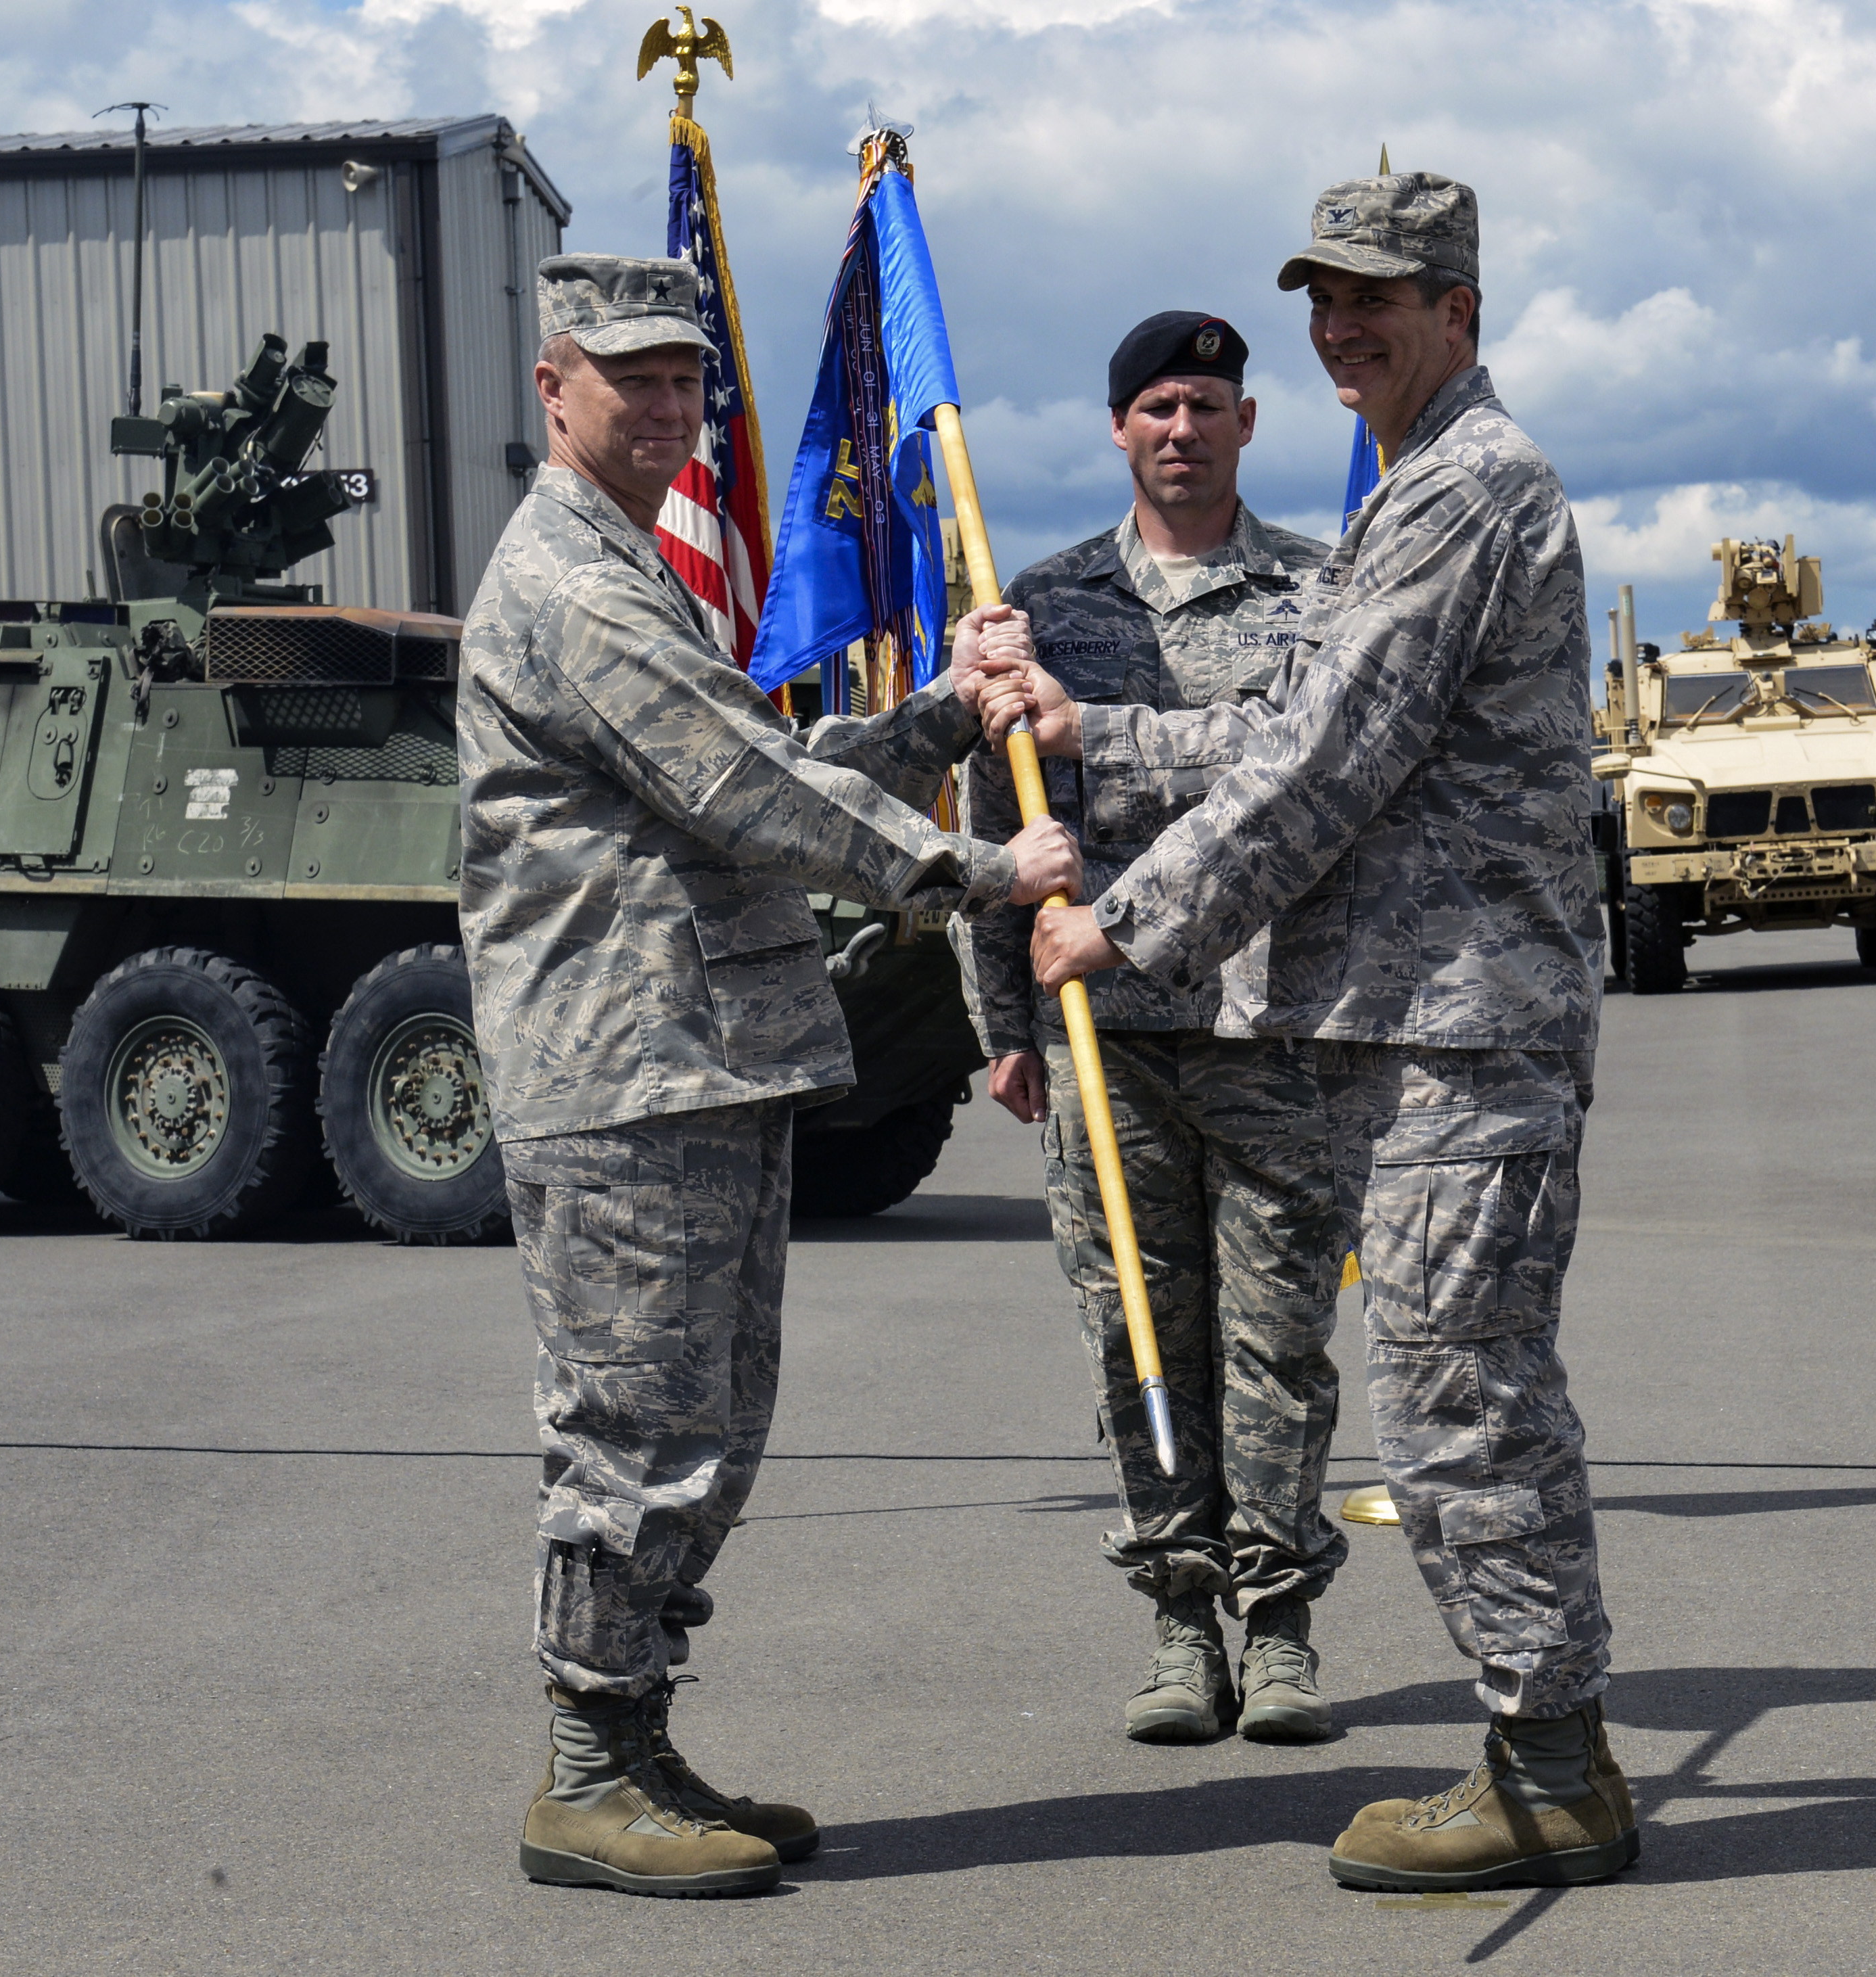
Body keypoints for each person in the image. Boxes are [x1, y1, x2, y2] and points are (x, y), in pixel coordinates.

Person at [995, 173, 1637, 1894]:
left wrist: (1121, 920)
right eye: (1327, 297)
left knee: (1463, 1405)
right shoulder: (1411, 490)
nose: (1346, 323)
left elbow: (1322, 763)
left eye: (1383, 296)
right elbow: (1283, 716)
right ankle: (1550, 1745)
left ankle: (1547, 1768)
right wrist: (1098, 730)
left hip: (1464, 1027)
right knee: (1457, 1395)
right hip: (1419, 1028)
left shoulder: (1465, 491)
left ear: (1461, 312)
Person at [459, 253, 1079, 1898]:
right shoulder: (574, 585)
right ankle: (584, 1770)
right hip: (622, 1075)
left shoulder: (632, 570)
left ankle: (636, 1729)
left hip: (694, 1060)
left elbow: (759, 761)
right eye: (634, 380)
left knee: (711, 1422)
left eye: (688, 384)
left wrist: (942, 716)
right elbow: (738, 785)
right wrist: (973, 876)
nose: (669, 409)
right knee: (635, 1425)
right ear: (555, 387)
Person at [954, 312, 1351, 1745]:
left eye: (1207, 404)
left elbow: (1315, 767)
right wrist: (1000, 1018)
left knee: (1281, 1339)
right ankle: (1181, 1622)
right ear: (1120, 431)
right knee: (1136, 1335)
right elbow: (997, 823)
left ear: (1250, 424)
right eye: (1157, 408)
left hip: (1269, 1026)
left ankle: (1284, 1617)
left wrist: (1098, 730)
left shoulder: (1323, 593)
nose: (1181, 428)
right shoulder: (1043, 606)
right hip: (1100, 1030)